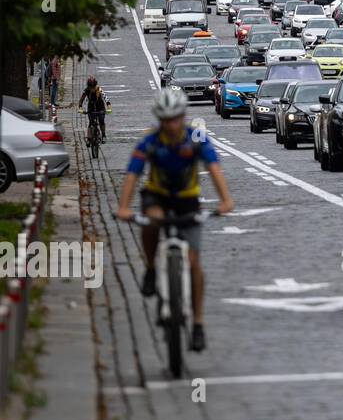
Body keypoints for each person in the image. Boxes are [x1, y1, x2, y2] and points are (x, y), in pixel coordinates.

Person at [115, 88, 234, 353]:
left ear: (183, 116)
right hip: (156, 196)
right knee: (151, 221)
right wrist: (123, 207)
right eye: (166, 120)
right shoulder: (150, 141)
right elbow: (133, 174)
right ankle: (150, 268)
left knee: (194, 263)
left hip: (187, 199)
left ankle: (199, 323)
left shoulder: (196, 138)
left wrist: (225, 200)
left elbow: (214, 168)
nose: (171, 124)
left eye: (176, 118)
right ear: (159, 119)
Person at [78, 76, 111, 140]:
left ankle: (103, 135)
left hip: (100, 107)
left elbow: (106, 98)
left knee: (101, 120)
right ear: (88, 86)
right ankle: (89, 138)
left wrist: (109, 107)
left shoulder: (99, 89)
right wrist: (80, 108)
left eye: (93, 87)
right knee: (91, 122)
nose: (92, 89)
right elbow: (81, 100)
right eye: (91, 87)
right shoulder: (86, 90)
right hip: (91, 107)